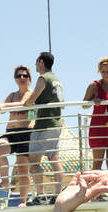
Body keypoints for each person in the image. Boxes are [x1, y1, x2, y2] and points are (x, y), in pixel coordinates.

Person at [22, 52, 66, 203]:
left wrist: (26, 103)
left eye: (36, 62)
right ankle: (59, 193)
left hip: (43, 125)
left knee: (34, 160)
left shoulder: (43, 78)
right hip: (56, 123)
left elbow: (33, 98)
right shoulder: (57, 80)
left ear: (41, 62)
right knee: (54, 157)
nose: (35, 65)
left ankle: (40, 196)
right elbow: (63, 103)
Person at [0, 67, 35, 203]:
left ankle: (22, 201)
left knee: (23, 170)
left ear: (29, 78)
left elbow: (25, 104)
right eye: (18, 76)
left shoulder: (33, 94)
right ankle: (5, 182)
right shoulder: (12, 95)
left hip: (26, 133)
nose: (21, 78)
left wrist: (5, 106)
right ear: (15, 78)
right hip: (11, 132)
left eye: (24, 75)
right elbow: (3, 109)